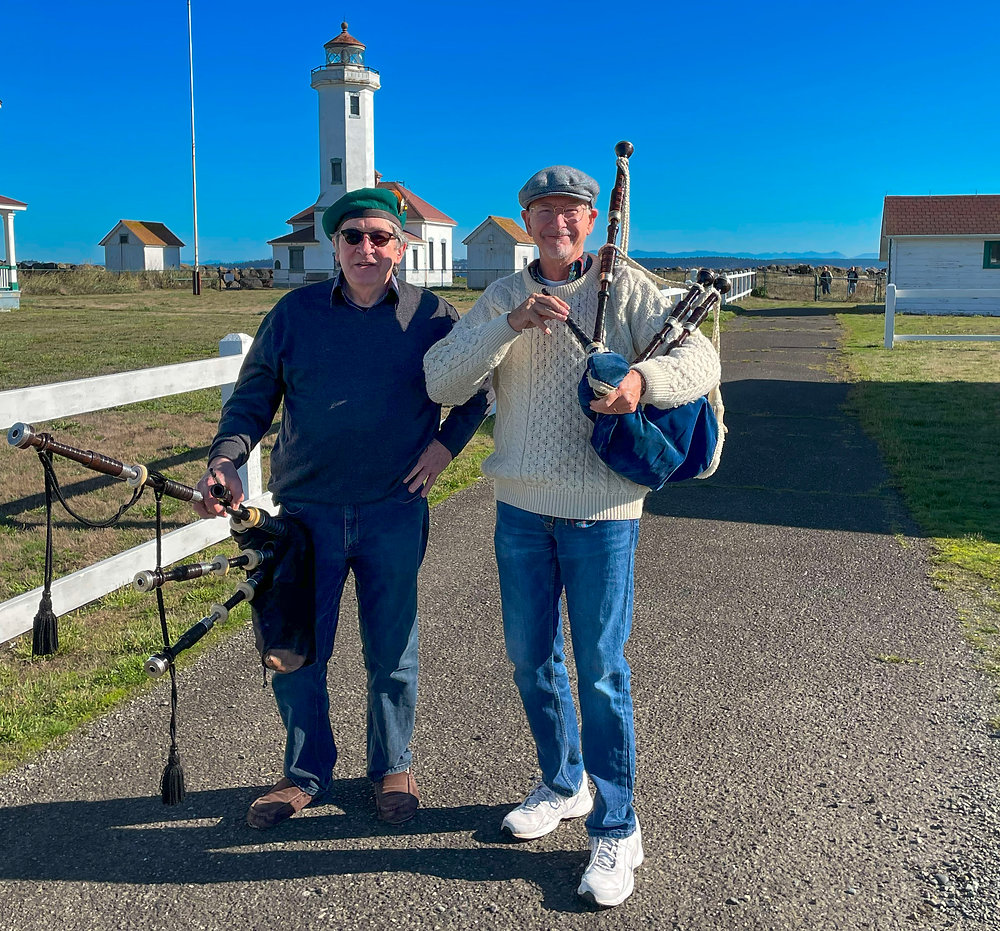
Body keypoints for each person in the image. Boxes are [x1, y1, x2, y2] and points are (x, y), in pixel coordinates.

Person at [423, 166, 720, 907]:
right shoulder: (503, 294)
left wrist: (640, 386)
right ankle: (564, 780)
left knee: (600, 669)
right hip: (521, 508)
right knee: (531, 658)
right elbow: (440, 379)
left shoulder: (628, 286)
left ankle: (618, 824)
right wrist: (507, 325)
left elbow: (701, 358)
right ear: (525, 220)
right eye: (544, 211)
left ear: (592, 221)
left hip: (605, 510)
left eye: (572, 212)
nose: (558, 223)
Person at [192, 187, 490, 829]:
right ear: (335, 245)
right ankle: (303, 773)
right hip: (305, 514)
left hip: (393, 510)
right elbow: (252, 398)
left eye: (380, 236)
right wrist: (225, 460)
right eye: (352, 236)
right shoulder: (295, 313)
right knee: (296, 647)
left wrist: (444, 449)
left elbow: (478, 388)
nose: (366, 247)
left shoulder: (436, 317)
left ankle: (393, 767)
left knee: (392, 648)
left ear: (402, 246)